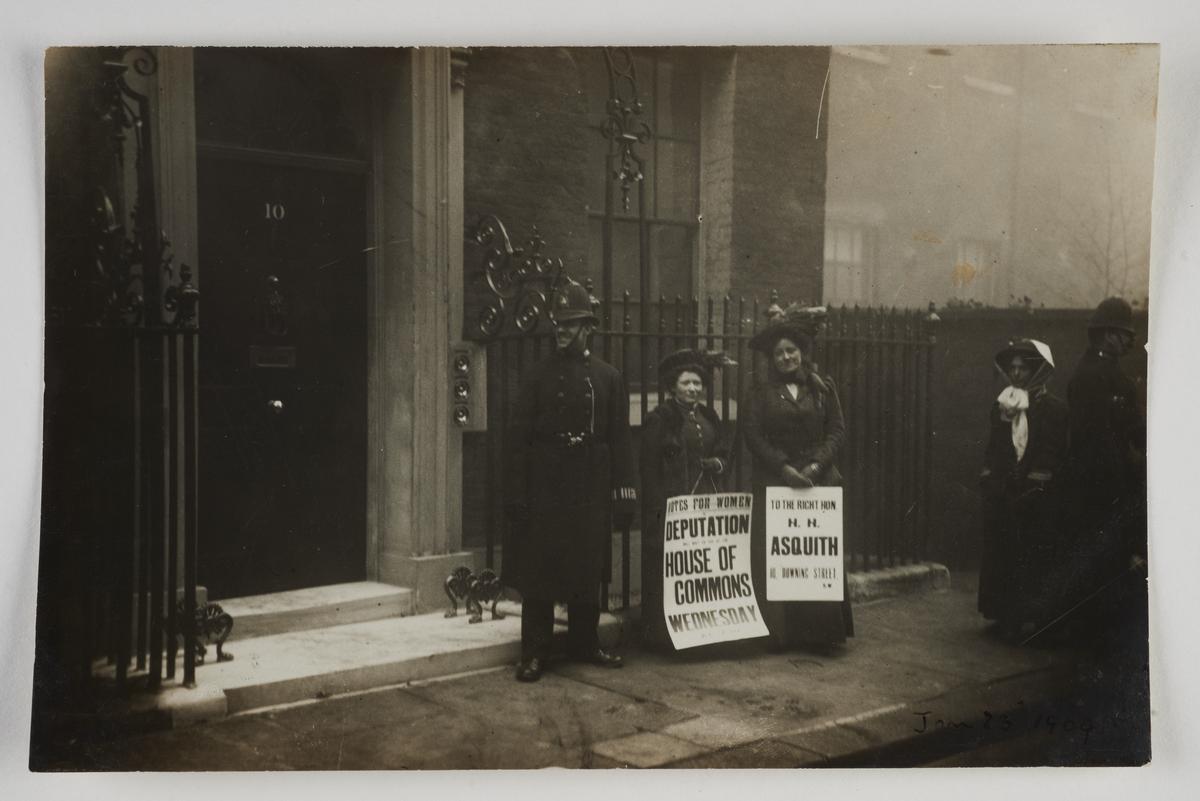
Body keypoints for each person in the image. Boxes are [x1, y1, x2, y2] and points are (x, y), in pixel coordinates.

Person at [503, 279, 638, 682]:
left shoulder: (609, 377)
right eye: (558, 324)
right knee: (540, 571)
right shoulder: (536, 376)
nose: (561, 331)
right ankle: (534, 652)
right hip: (546, 483)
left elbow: (619, 440)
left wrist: (623, 494)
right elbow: (517, 439)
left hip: (590, 485)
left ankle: (585, 641)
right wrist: (518, 493)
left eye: (571, 324)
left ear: (588, 328)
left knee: (587, 567)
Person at [742, 305, 853, 650]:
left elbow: (837, 430)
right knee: (781, 559)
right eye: (779, 353)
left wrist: (816, 466)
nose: (786, 357)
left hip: (817, 481)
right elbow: (753, 435)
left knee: (814, 559)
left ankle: (821, 634)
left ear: (802, 354)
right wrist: (784, 469)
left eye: (791, 351)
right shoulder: (760, 392)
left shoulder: (823, 389)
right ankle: (782, 635)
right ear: (771, 359)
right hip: (778, 482)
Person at [639, 349, 734, 650]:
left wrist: (717, 463)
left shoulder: (708, 416)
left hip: (705, 502)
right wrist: (658, 510)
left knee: (701, 569)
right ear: (672, 386)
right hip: (672, 505)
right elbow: (649, 467)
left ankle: (702, 631)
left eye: (697, 383)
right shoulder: (660, 419)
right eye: (686, 383)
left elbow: (722, 449)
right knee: (674, 570)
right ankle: (666, 635)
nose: (693, 388)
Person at [977, 339, 1069, 639]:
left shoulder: (1053, 409)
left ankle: (1037, 617)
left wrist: (1033, 482)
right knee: (1006, 553)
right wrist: (994, 480)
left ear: (1036, 371)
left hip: (1036, 495)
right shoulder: (1002, 405)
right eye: (1013, 368)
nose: (1016, 374)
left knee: (1035, 554)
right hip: (1007, 491)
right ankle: (1006, 615)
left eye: (1023, 368)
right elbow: (996, 448)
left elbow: (1050, 451)